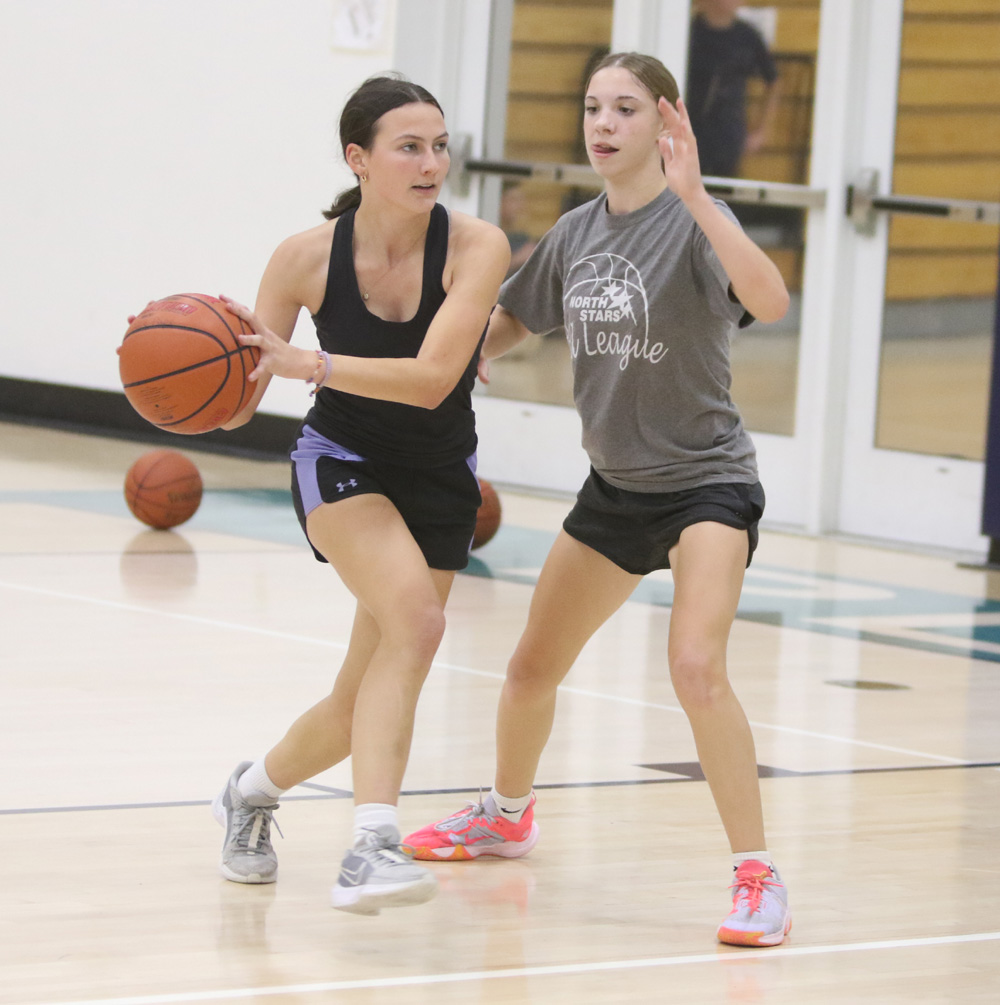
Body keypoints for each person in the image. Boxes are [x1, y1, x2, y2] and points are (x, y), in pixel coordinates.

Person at [404, 52, 793, 947]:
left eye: (624, 108)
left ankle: (757, 874)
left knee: (695, 666)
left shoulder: (698, 222)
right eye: (592, 107)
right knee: (530, 668)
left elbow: (768, 300)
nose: (603, 123)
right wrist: (460, 355)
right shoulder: (577, 233)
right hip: (614, 488)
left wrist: (699, 196)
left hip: (707, 482)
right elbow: (510, 317)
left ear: (664, 124)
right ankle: (506, 814)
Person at [209, 73, 510, 916]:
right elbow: (239, 396)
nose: (431, 163)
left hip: (440, 474)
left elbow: (431, 379)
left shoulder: (476, 246)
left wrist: (310, 362)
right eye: (409, 146)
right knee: (417, 620)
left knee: (356, 700)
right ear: (360, 158)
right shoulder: (304, 257)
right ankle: (373, 844)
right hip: (340, 459)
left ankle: (250, 792)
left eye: (439, 145)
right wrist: (194, 383)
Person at [686, 0, 780, 178]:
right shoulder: (689, 31)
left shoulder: (747, 36)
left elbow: (773, 81)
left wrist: (762, 131)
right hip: (690, 124)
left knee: (723, 193)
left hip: (728, 129)